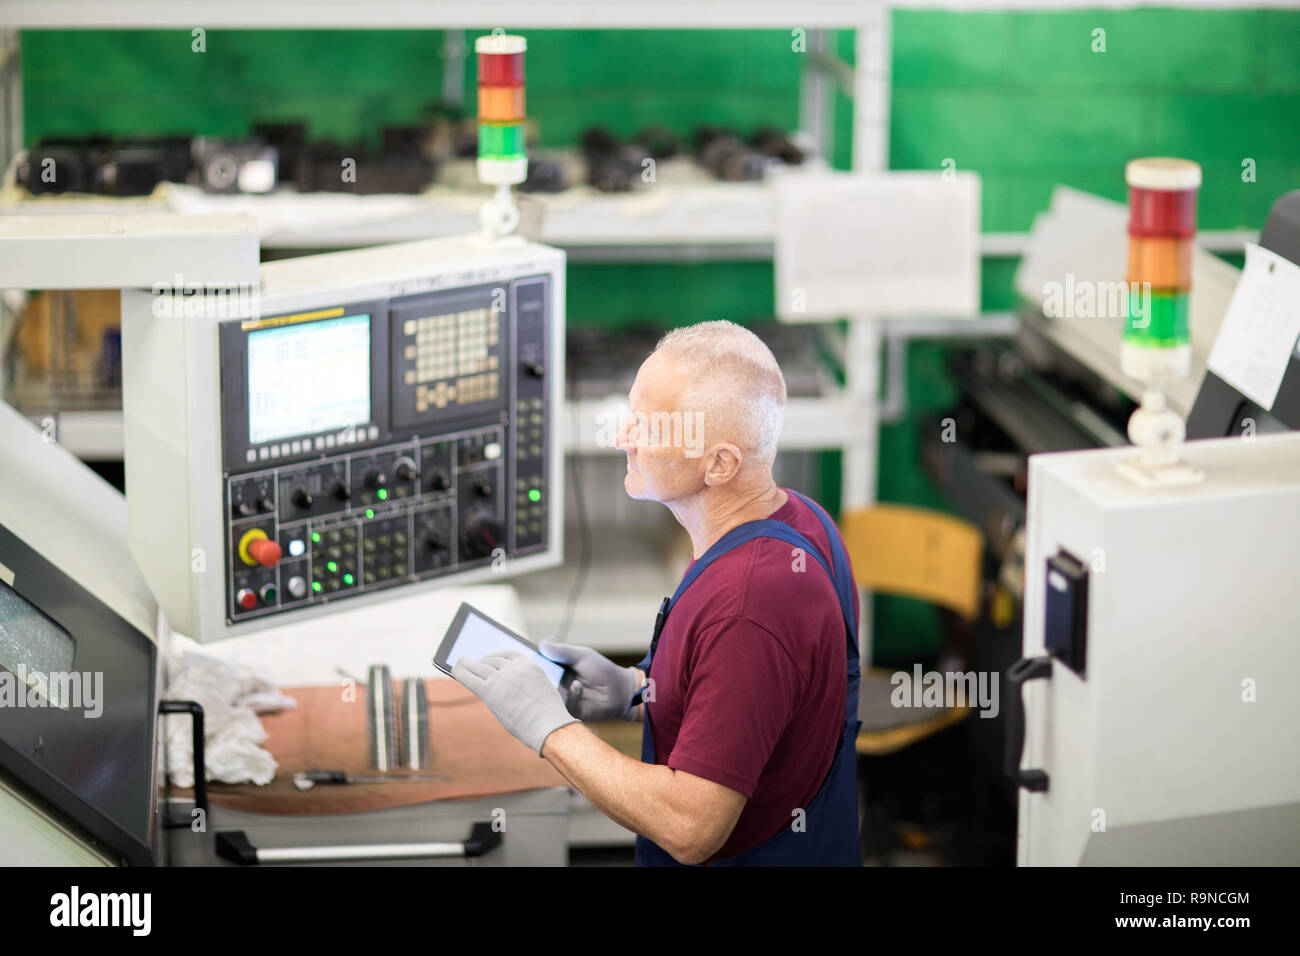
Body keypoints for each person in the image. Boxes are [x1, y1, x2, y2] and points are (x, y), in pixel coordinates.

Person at [452, 320, 862, 865]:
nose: (624, 439)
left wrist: (549, 729)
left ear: (719, 464)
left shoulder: (749, 603)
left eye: (650, 427)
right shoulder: (800, 520)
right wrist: (639, 690)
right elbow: (755, 702)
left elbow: (690, 826)